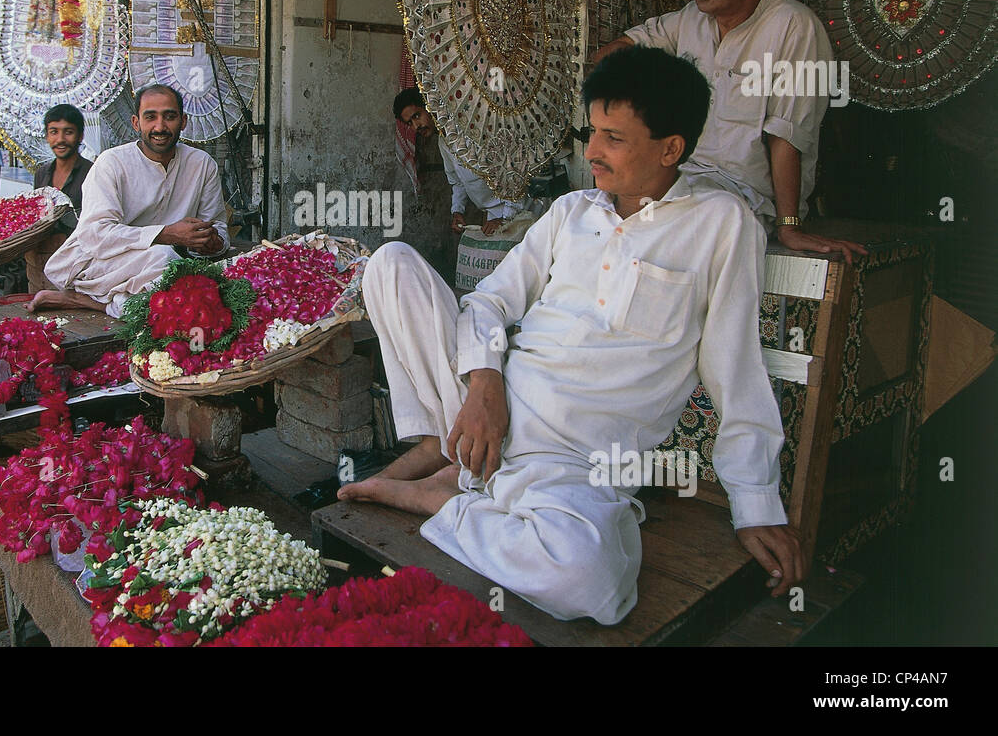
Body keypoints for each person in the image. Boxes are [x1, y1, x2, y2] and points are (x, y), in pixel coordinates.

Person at [340, 46, 805, 624]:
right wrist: (485, 383)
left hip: (572, 462)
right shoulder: (571, 211)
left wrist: (755, 504)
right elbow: (488, 300)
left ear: (670, 148)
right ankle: (451, 450)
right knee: (391, 265)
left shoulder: (720, 225)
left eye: (613, 137)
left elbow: (737, 372)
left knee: (590, 582)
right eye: (592, 132)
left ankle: (441, 495)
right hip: (484, 409)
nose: (591, 152)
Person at [592, 0, 865, 263]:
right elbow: (614, 52)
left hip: (744, 196)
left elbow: (787, 137)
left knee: (654, 242)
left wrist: (789, 226)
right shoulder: (691, 19)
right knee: (594, 218)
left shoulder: (793, 26)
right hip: (679, 181)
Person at [29, 84, 228, 319]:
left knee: (188, 288)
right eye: (150, 117)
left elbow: (219, 230)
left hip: (165, 264)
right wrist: (165, 234)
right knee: (165, 261)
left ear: (183, 121)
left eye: (170, 117)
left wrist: (211, 242)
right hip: (103, 262)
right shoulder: (111, 163)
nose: (160, 127)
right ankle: (85, 296)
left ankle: (86, 302)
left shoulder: (202, 163)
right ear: (136, 123)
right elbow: (95, 235)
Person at [394, 87, 527, 236]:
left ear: (430, 106)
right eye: (410, 123)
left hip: (520, 212)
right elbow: (457, 182)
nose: (416, 126)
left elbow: (515, 170)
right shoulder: (444, 142)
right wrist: (457, 211)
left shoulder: (472, 129)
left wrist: (505, 218)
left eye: (417, 116)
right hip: (494, 216)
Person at [25, 103, 94, 292]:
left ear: (80, 136)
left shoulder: (92, 173)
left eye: (68, 132)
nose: (60, 139)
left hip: (77, 266)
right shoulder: (42, 173)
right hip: (40, 264)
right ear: (47, 136)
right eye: (54, 132)